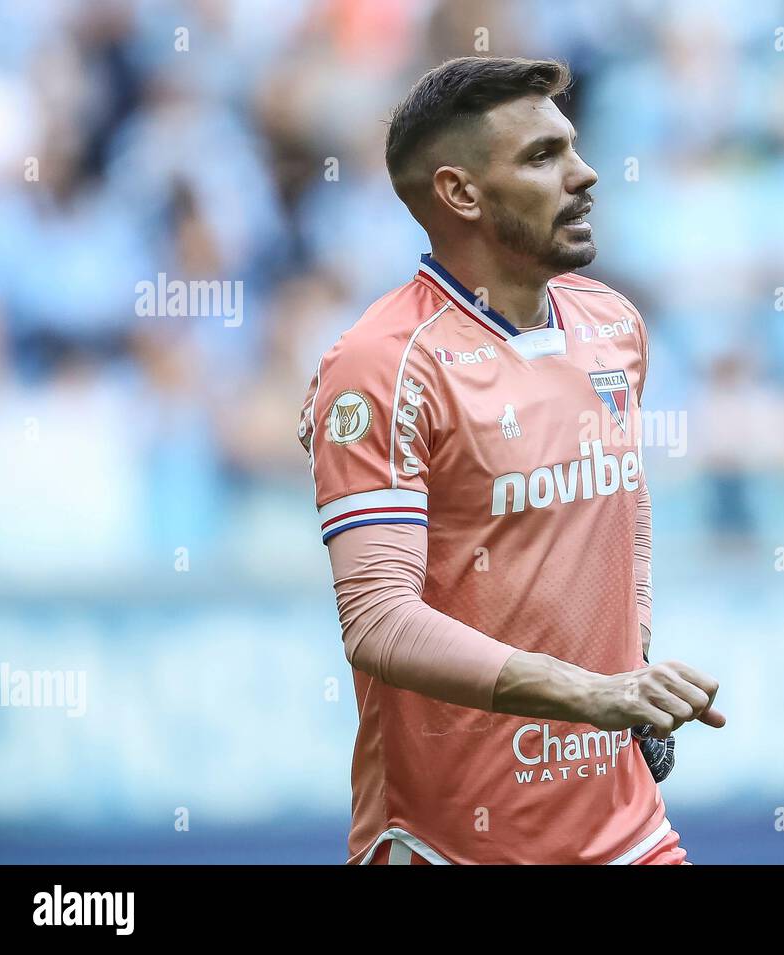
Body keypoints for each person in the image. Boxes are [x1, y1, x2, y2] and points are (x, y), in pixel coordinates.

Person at [297, 56, 725, 865]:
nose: (586, 173)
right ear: (461, 193)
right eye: (543, 157)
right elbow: (380, 623)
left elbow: (621, 517)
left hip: (627, 832)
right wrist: (594, 693)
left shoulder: (614, 326)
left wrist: (628, 671)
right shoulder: (384, 366)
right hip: (450, 842)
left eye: (573, 145)